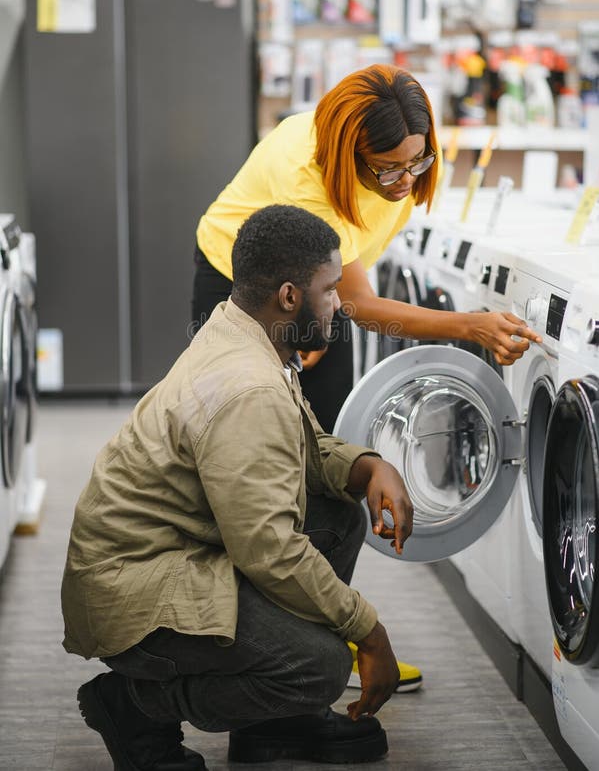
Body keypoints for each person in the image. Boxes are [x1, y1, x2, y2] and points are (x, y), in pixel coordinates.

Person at [62, 205, 415, 771]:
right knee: (320, 667)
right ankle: (133, 708)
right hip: (133, 595)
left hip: (171, 555)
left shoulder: (244, 331)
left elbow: (299, 453)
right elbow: (268, 550)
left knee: (338, 515)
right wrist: (369, 634)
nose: (339, 304)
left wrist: (370, 467)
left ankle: (275, 723)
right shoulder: (248, 385)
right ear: (289, 296)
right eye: (329, 290)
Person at [192, 64, 541, 435]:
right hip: (241, 280)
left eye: (417, 161)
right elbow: (359, 303)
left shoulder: (400, 159)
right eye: (388, 169)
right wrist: (472, 326)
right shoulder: (306, 177)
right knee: (237, 422)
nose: (406, 180)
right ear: (349, 155)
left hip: (319, 283)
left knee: (324, 425)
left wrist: (315, 316)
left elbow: (343, 285)